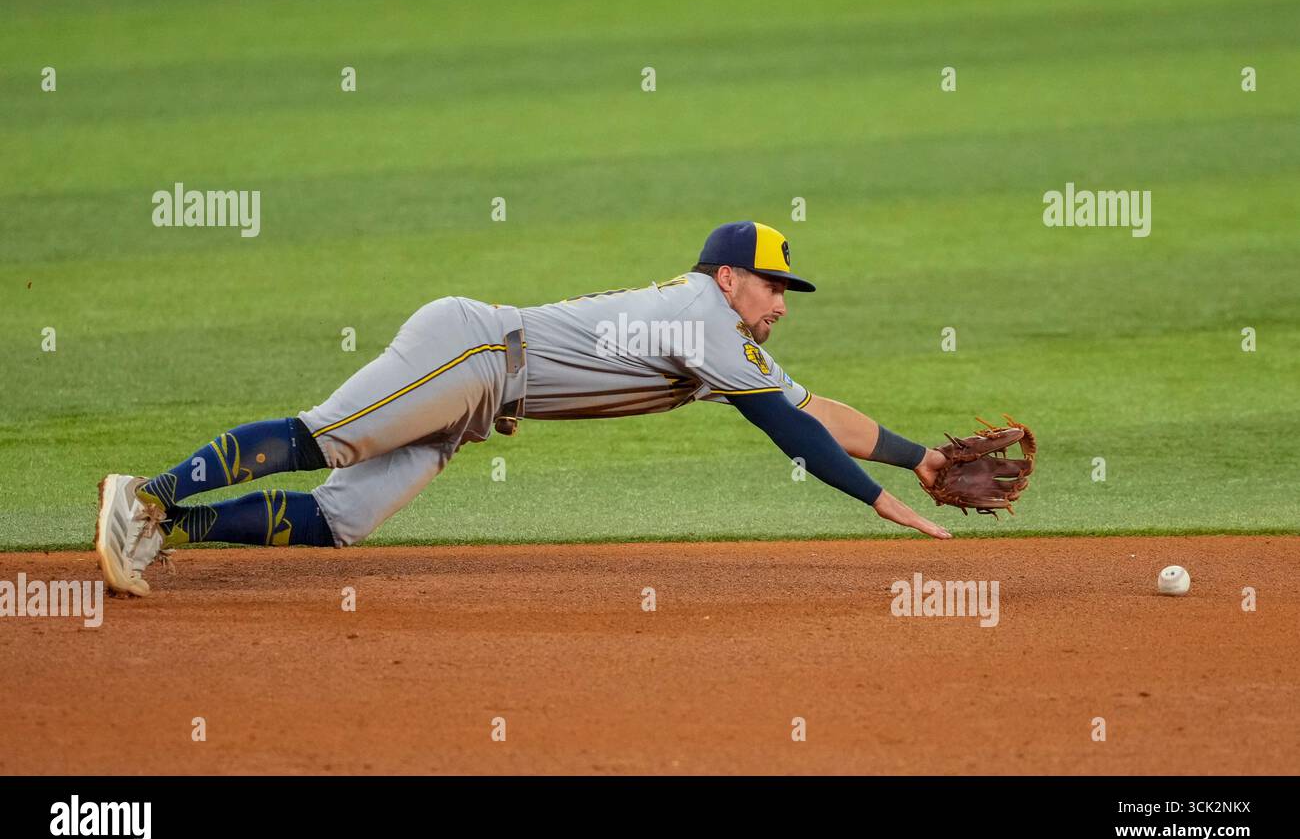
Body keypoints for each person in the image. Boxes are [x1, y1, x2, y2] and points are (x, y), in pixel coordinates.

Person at [94, 221, 951, 597]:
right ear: (729, 277)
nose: (783, 302)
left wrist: (918, 458)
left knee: (339, 520)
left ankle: (165, 532)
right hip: (470, 351)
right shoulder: (705, 315)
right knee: (331, 440)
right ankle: (146, 495)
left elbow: (816, 410)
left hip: (482, 394)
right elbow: (788, 429)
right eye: (774, 285)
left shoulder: (727, 337)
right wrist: (879, 502)